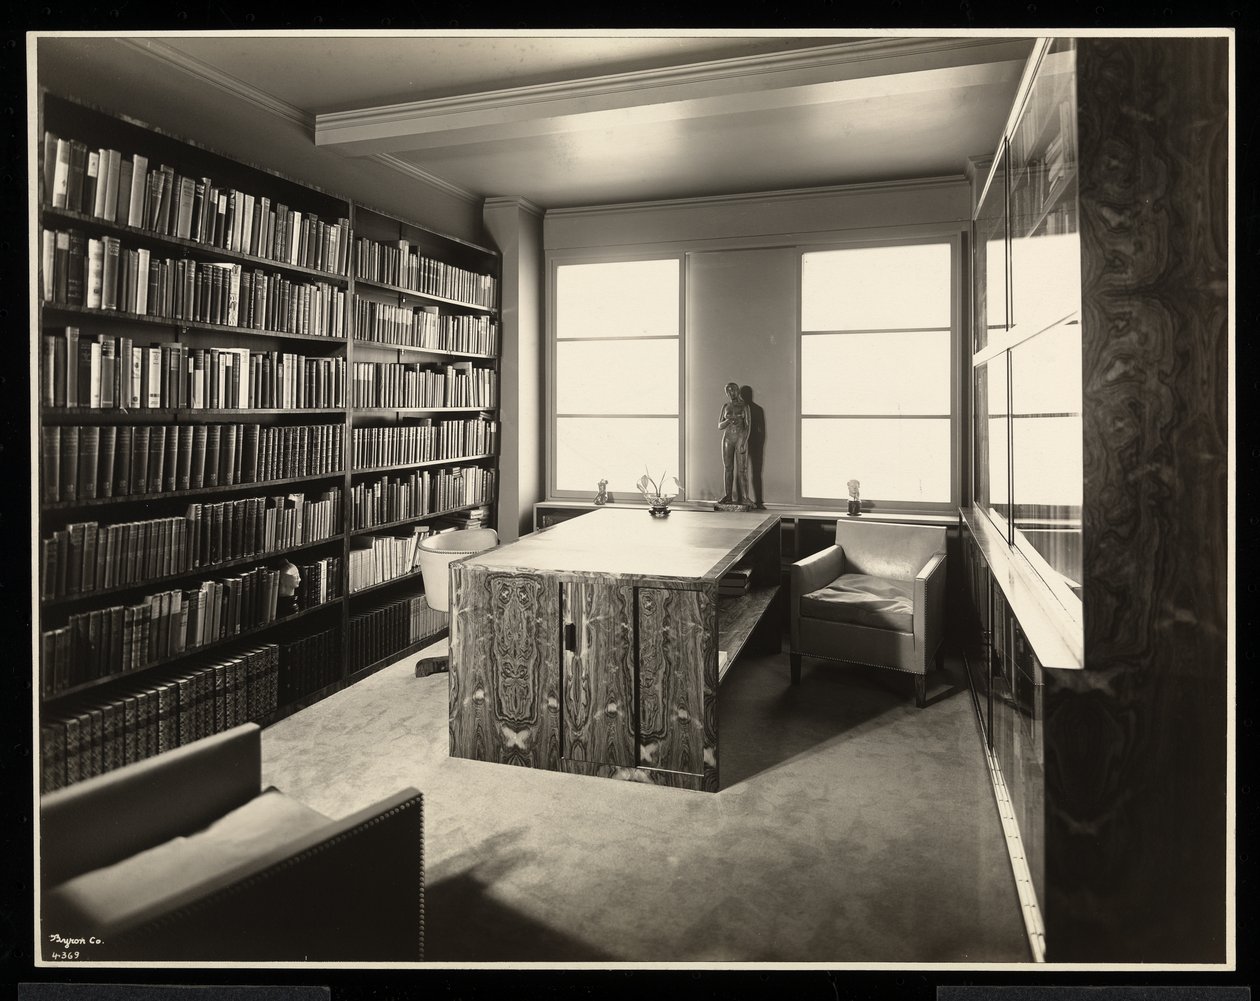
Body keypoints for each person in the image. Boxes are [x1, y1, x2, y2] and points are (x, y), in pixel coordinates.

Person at [717, 381, 754, 507]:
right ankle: (728, 496)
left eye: (733, 390)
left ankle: (745, 498)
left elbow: (748, 426)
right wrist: (728, 421)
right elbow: (719, 425)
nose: (730, 393)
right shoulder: (725, 406)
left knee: (742, 470)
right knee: (728, 468)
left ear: (737, 391)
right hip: (727, 439)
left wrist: (744, 441)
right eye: (728, 391)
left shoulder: (745, 406)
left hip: (740, 437)